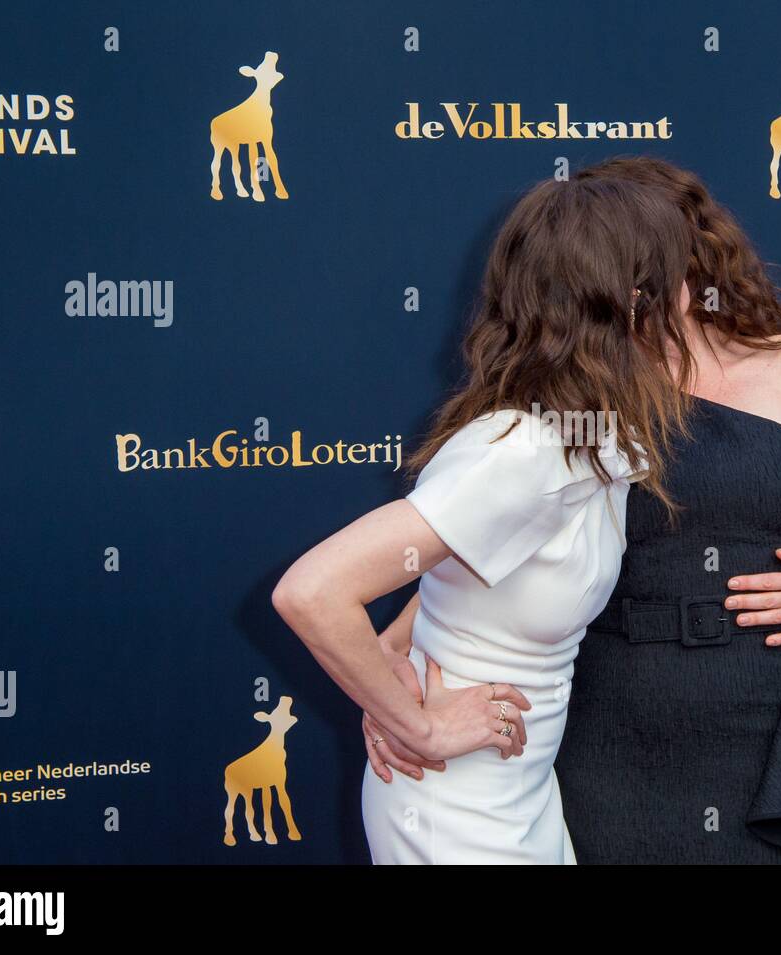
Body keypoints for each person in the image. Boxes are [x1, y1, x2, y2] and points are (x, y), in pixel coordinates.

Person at [366, 157, 781, 864]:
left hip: (764, 707)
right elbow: (473, 545)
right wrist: (399, 692)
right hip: (608, 721)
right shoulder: (584, 386)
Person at [272, 173, 696, 863]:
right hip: (454, 806)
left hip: (521, 794)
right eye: (680, 276)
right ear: (632, 302)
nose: (691, 298)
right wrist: (417, 724)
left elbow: (465, 563)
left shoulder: (599, 436)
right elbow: (312, 590)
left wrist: (389, 659)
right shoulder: (524, 453)